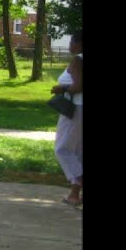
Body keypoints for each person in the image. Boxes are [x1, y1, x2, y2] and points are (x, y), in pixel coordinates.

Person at [51, 31, 83, 207]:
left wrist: (61, 88)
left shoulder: (79, 59)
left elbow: (78, 86)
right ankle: (74, 194)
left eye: (71, 41)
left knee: (62, 149)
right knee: (78, 151)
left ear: (78, 43)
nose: (69, 45)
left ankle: (78, 183)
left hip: (76, 109)